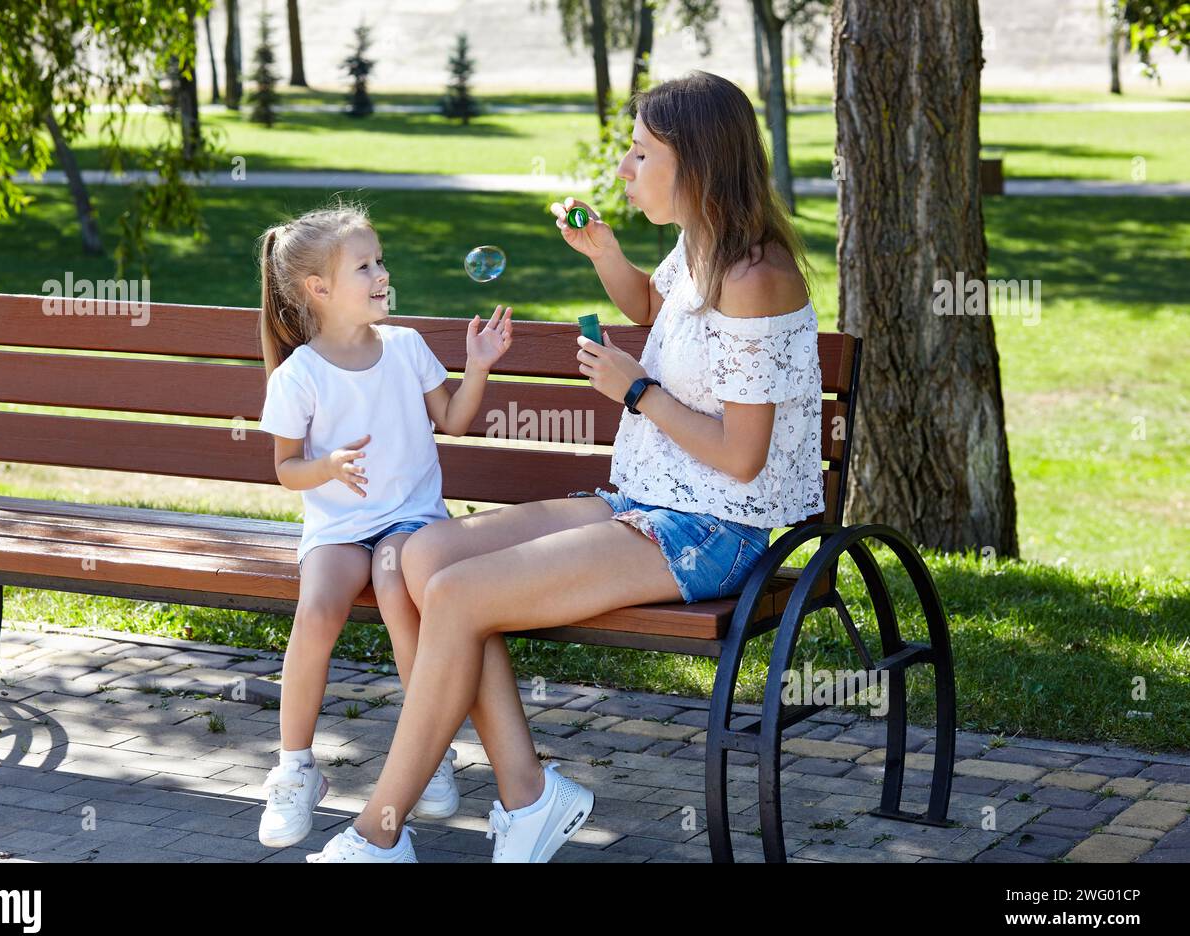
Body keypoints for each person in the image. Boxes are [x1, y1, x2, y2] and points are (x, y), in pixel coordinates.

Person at [312, 70, 823, 863]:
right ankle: (530, 798)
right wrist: (605, 252)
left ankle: (379, 830)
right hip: (647, 499)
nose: (625, 168)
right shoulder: (703, 249)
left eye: (641, 152)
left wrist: (638, 389)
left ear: (696, 162)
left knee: (455, 591)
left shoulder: (757, 278)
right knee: (419, 553)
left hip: (716, 527)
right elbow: (654, 312)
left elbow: (743, 456)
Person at [254, 201, 514, 849]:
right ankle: (294, 768)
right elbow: (286, 469)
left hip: (411, 521)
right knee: (316, 608)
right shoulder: (300, 375)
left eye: (380, 259)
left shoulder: (406, 347)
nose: (381, 272)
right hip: (339, 528)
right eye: (364, 264)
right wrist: (327, 468)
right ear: (318, 290)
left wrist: (478, 364)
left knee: (399, 590)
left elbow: (452, 420)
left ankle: (427, 758)